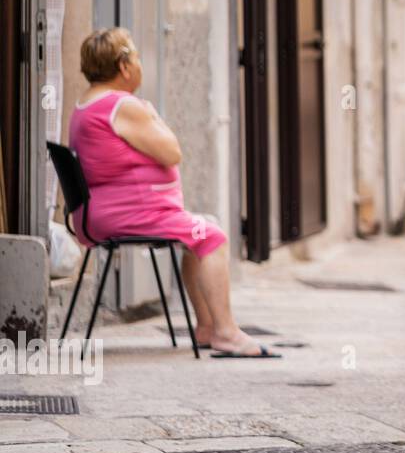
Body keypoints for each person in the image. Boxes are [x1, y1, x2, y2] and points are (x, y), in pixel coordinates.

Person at [67, 28, 277, 358]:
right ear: (124, 66)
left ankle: (207, 327)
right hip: (127, 214)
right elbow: (171, 152)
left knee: (202, 228)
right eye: (135, 57)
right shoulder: (122, 106)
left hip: (105, 213)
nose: (139, 64)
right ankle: (226, 332)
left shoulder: (88, 103)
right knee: (212, 236)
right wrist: (151, 113)